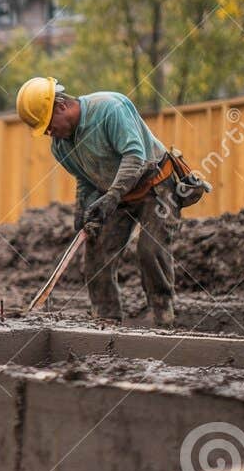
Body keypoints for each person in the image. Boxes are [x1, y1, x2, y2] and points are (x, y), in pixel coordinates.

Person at [16, 77, 181, 327]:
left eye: (49, 126)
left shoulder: (109, 108)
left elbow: (135, 157)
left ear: (61, 106)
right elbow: (86, 179)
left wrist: (112, 197)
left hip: (156, 185)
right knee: (96, 253)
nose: (49, 133)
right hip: (117, 195)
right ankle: (106, 320)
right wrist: (83, 212)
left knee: (150, 249)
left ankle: (162, 317)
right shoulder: (61, 146)